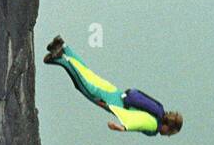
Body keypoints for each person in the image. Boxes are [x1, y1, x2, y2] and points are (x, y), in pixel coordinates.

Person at [43, 35, 183, 136]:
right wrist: (122, 128)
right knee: (85, 85)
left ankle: (64, 48)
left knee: (89, 76)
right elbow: (140, 121)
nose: (168, 136)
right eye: (170, 133)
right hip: (113, 101)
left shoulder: (159, 108)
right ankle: (62, 57)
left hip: (116, 93)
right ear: (168, 127)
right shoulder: (154, 125)